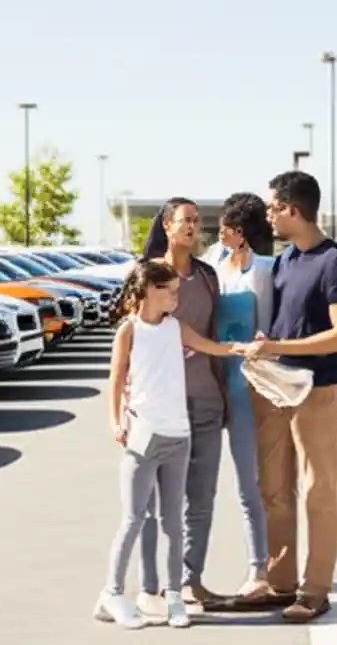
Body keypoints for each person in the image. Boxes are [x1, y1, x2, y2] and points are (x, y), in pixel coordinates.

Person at [95, 258, 242, 630]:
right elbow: (115, 381)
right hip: (142, 436)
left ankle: (173, 595)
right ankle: (113, 593)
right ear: (149, 290)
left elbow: (214, 347)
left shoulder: (177, 328)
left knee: (172, 522)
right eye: (170, 291)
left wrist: (246, 348)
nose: (176, 298)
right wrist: (116, 421)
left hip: (179, 435)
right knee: (134, 518)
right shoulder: (128, 331)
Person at [240, 170, 337, 623]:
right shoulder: (287, 259)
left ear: (293, 209)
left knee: (318, 492)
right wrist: (265, 346)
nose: (267, 216)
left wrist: (277, 346)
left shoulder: (336, 263)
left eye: (272, 208)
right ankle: (280, 582)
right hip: (276, 387)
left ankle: (316, 590)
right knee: (274, 489)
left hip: (319, 390)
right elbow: (287, 323)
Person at [135, 197, 231, 612]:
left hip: (206, 400)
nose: (192, 227)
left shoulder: (208, 276)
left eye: (197, 221)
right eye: (184, 220)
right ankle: (152, 587)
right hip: (159, 410)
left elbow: (210, 333)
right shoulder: (147, 275)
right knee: (153, 505)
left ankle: (191, 580)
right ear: (167, 226)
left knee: (202, 499)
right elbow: (129, 339)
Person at [204, 193, 278, 605]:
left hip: (250, 385)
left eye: (226, 227)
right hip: (214, 383)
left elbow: (268, 329)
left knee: (251, 484)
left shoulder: (264, 271)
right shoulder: (215, 266)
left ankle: (259, 570)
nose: (219, 233)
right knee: (208, 485)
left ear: (242, 232)